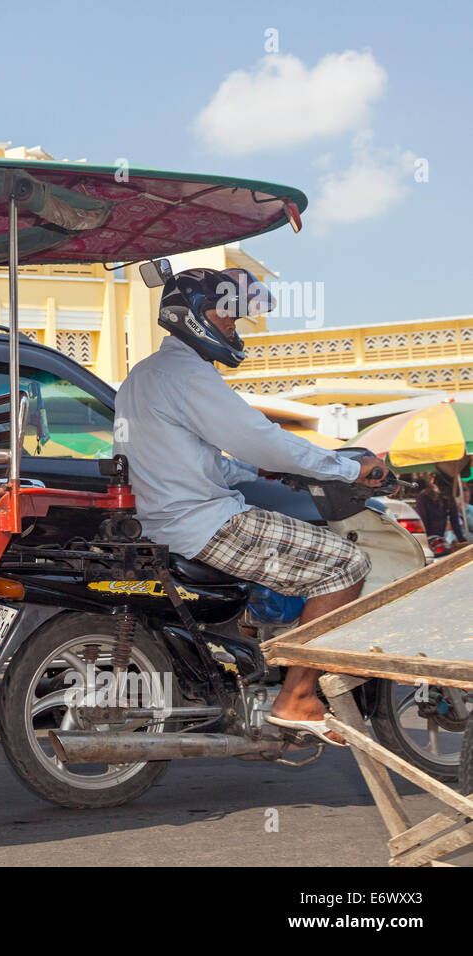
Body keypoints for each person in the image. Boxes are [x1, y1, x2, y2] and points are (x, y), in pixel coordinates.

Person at [115, 267, 388, 747]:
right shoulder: (189, 374)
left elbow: (193, 463)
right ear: (192, 316)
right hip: (205, 523)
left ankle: (255, 673)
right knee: (346, 564)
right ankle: (296, 696)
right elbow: (261, 439)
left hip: (165, 521)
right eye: (227, 315)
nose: (233, 327)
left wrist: (254, 472)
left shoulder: (145, 375)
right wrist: (348, 470)